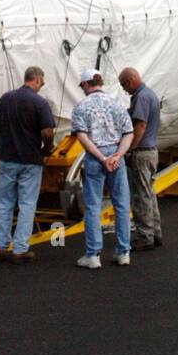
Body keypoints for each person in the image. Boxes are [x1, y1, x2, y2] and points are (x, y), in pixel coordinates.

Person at [0, 66, 56, 264]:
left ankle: (1, 247)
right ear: (36, 80)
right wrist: (48, 148)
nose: (41, 87)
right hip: (30, 160)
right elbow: (47, 132)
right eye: (41, 83)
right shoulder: (40, 102)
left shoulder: (5, 99)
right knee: (27, 204)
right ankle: (20, 248)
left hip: (7, 158)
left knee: (4, 203)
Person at [70, 68, 134, 269]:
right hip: (116, 155)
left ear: (87, 84)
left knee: (92, 206)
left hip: (95, 158)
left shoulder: (81, 107)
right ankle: (123, 252)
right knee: (122, 205)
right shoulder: (116, 104)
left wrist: (102, 158)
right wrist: (117, 156)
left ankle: (93, 255)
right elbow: (128, 133)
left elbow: (82, 137)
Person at [118, 67, 162, 251]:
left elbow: (140, 125)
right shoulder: (150, 94)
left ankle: (145, 236)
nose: (124, 89)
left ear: (130, 81)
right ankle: (155, 232)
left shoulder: (142, 97)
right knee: (149, 194)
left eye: (123, 85)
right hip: (151, 151)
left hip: (142, 153)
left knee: (140, 196)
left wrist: (129, 148)